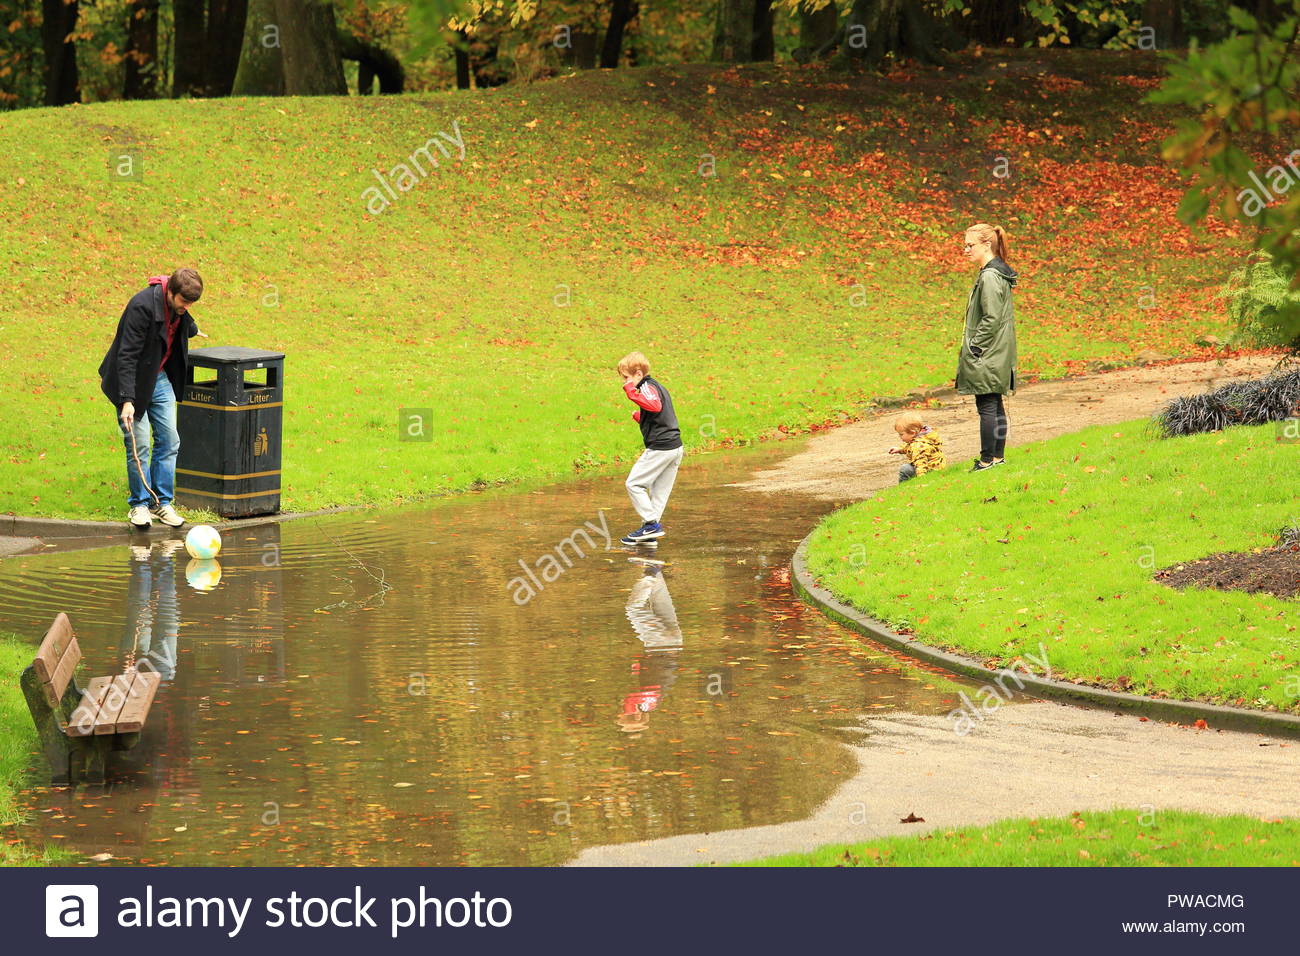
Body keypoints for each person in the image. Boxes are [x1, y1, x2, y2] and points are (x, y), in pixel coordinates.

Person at [98, 269, 204, 529]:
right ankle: (139, 505)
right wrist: (126, 400)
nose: (187, 307)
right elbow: (126, 355)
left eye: (192, 303)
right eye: (184, 302)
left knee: (170, 440)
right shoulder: (141, 307)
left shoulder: (177, 306)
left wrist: (192, 328)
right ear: (170, 292)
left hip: (159, 378)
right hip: (132, 382)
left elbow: (179, 320)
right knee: (140, 444)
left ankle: (162, 503)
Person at [955, 223, 1018, 472]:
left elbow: (991, 318)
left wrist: (975, 348)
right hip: (996, 351)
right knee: (994, 403)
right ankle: (997, 459)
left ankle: (986, 461)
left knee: (987, 406)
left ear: (986, 244)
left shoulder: (991, 276)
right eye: (965, 245)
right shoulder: (993, 273)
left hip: (988, 352)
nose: (966, 250)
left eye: (970, 245)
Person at [617, 351, 684, 546]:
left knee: (634, 484)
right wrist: (641, 417)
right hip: (674, 447)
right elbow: (660, 413)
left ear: (638, 374)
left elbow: (654, 406)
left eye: (627, 377)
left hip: (661, 448)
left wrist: (631, 391)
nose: (625, 381)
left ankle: (651, 525)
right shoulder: (658, 387)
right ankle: (650, 534)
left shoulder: (646, 386)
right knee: (659, 492)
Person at [888, 412, 946, 483]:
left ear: (912, 433)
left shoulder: (918, 446)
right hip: (936, 467)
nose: (900, 437)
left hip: (930, 470)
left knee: (905, 469)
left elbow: (921, 464)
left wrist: (922, 480)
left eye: (901, 434)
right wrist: (900, 449)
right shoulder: (924, 436)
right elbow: (910, 446)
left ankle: (904, 488)